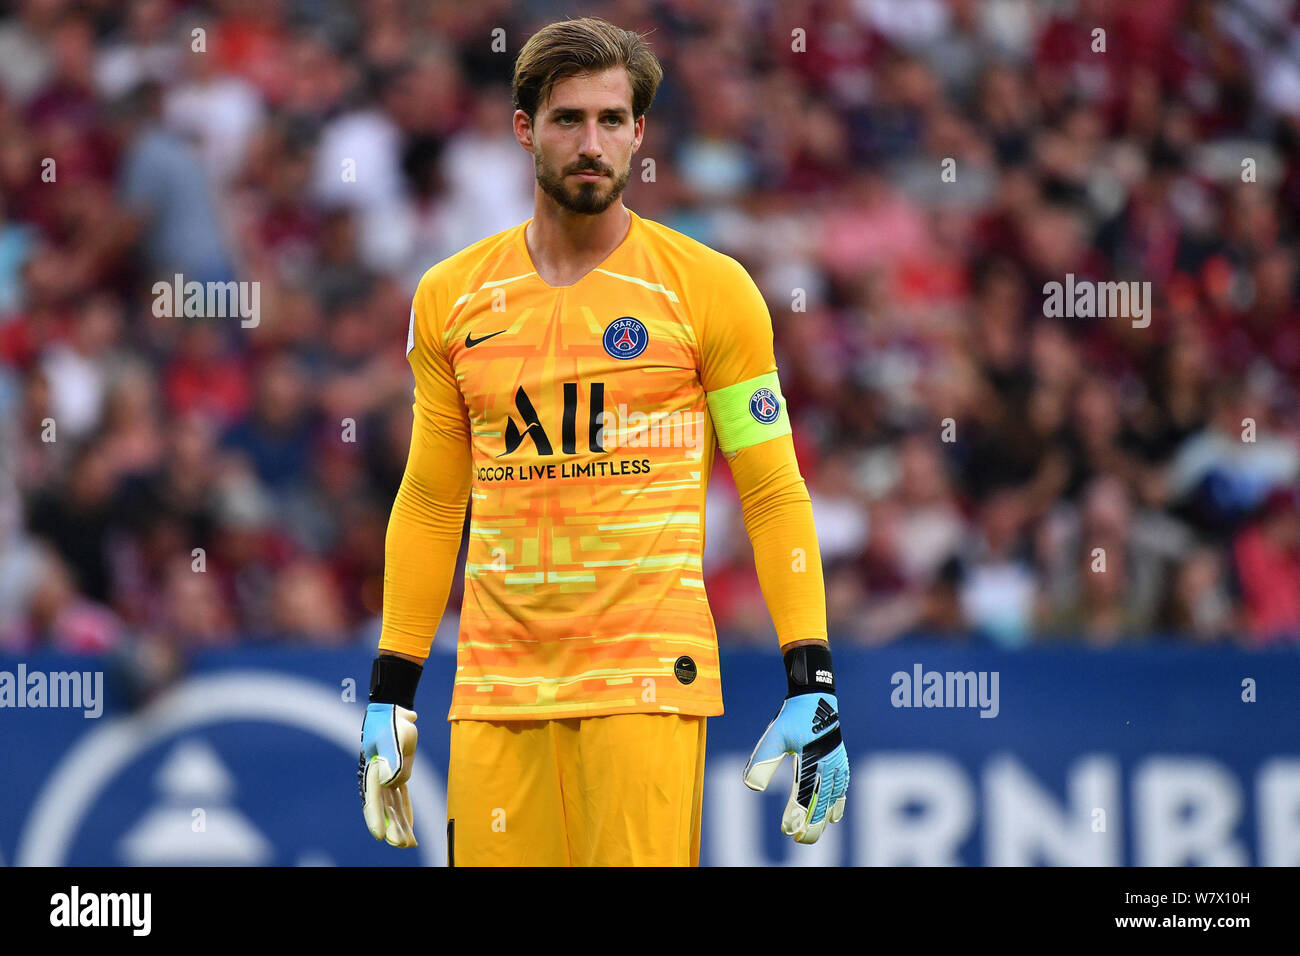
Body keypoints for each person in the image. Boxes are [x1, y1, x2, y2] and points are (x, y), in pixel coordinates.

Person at [356, 16, 848, 866]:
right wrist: (390, 690)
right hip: (494, 689)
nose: (593, 143)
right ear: (524, 130)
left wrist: (813, 678)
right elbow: (435, 497)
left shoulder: (710, 290)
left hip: (646, 677)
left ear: (639, 133)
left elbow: (771, 490)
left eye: (612, 121)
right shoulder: (450, 298)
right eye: (569, 120)